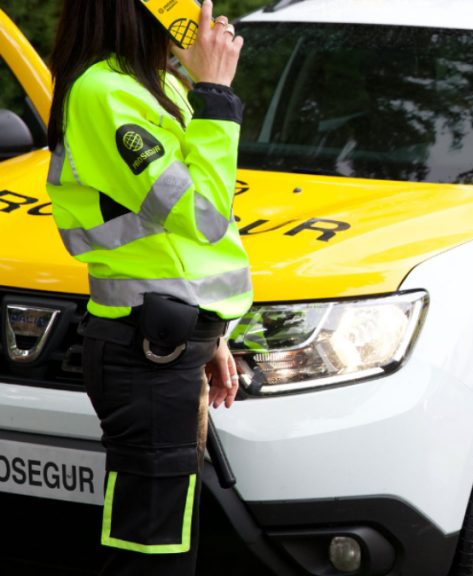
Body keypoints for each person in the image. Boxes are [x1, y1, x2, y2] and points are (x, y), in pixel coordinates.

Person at [45, 1, 250, 574]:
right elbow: (205, 211)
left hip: (174, 340)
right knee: (150, 554)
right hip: (145, 351)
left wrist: (211, 331)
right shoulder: (104, 92)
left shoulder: (157, 85)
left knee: (167, 543)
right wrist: (216, 95)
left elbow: (186, 239)